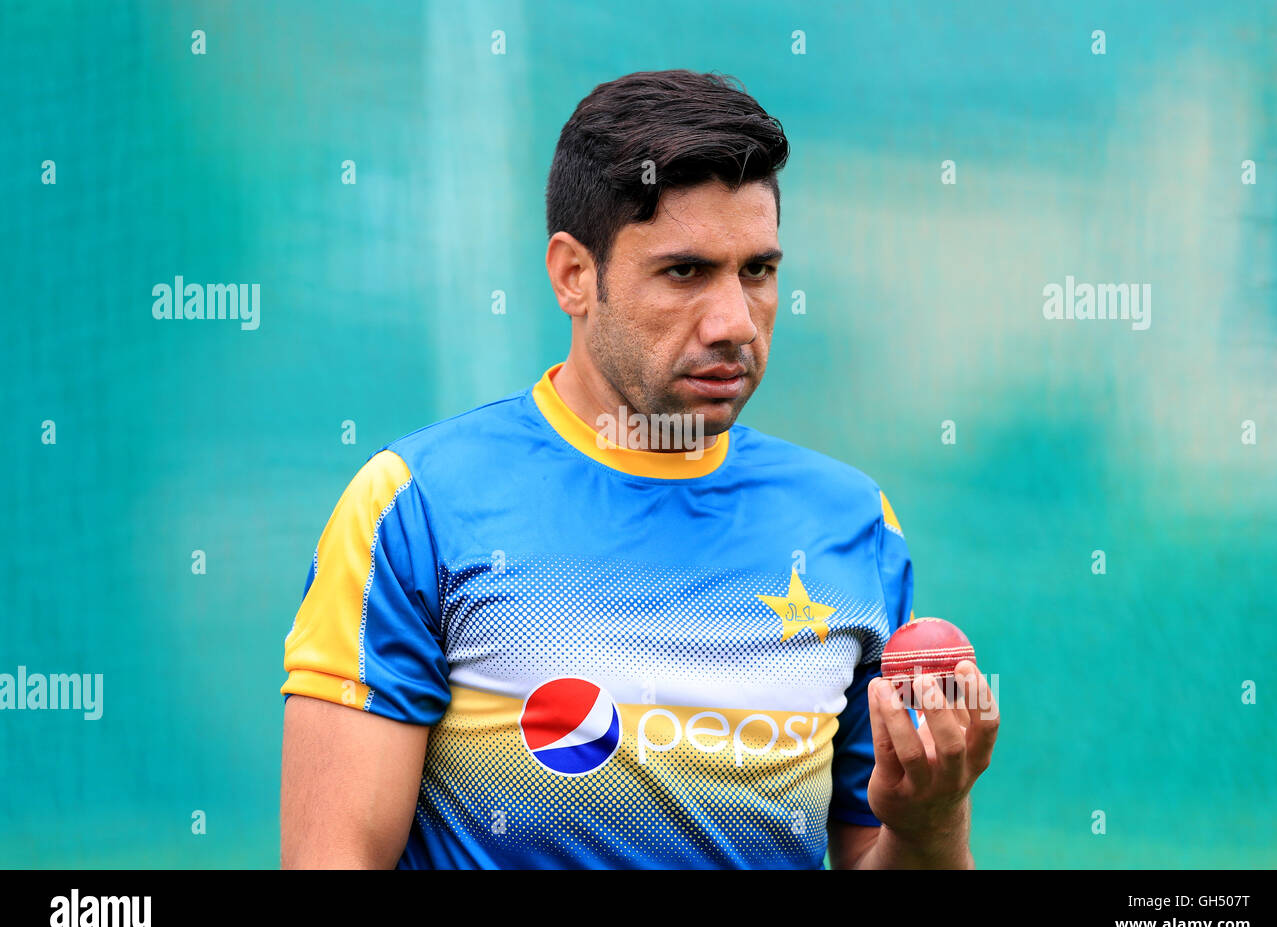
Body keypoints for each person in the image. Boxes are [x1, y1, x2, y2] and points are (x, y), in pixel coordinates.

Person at [279, 68, 998, 869]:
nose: (734, 321)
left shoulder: (854, 523)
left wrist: (931, 824)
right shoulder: (413, 507)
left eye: (757, 271)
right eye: (685, 271)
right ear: (573, 275)